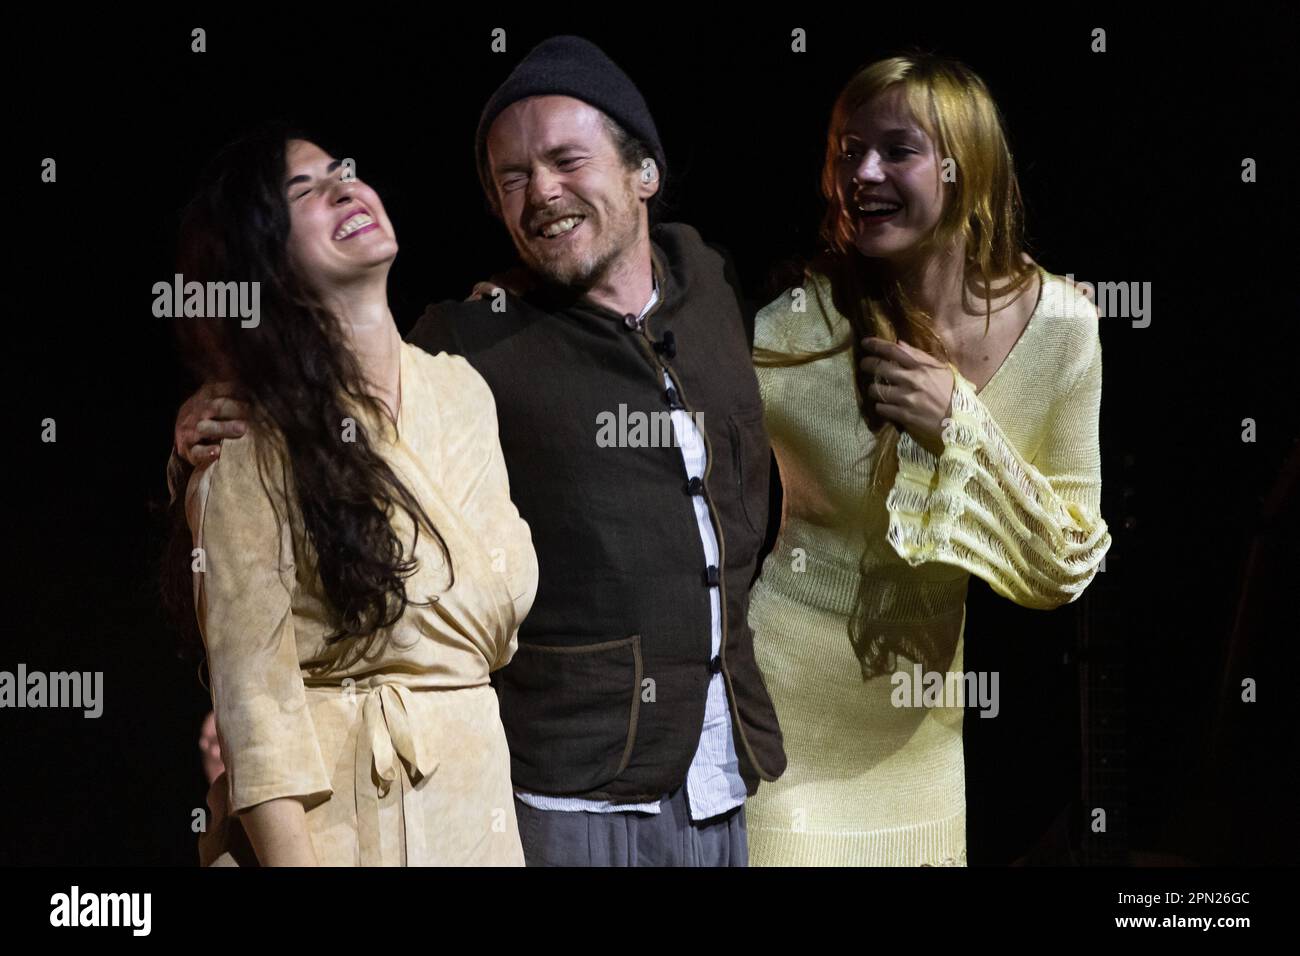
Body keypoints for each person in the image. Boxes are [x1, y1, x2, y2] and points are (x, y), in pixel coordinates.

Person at [176, 36, 787, 867]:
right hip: (527, 797)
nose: (542, 192)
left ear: (644, 172)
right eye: (511, 179)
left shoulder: (697, 285)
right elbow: (256, 684)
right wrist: (191, 446)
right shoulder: (479, 342)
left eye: (567, 160)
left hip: (672, 783)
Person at [743, 54, 1112, 866]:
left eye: (895, 150)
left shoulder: (1063, 329)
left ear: (964, 166)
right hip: (781, 709)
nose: (862, 173)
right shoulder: (791, 323)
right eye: (846, 150)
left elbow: (1067, 565)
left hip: (922, 731)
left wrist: (963, 428)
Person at [167, 125, 538, 866]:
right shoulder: (248, 437)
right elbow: (255, 707)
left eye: (341, 171)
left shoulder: (462, 393)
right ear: (266, 263)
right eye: (302, 192)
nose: (342, 187)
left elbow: (494, 612)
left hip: (475, 807)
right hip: (337, 827)